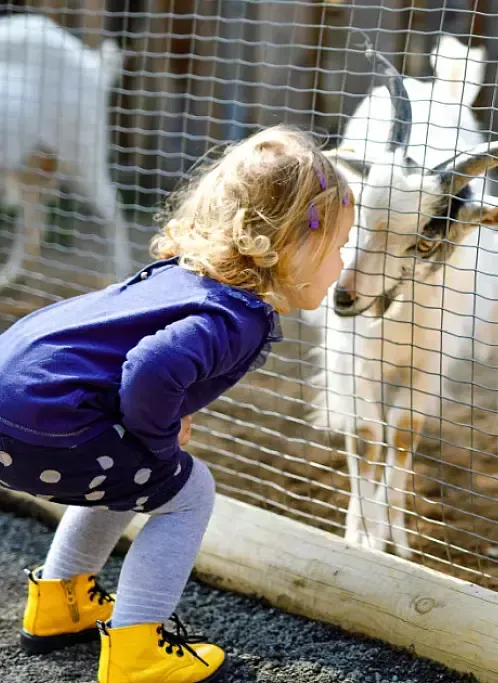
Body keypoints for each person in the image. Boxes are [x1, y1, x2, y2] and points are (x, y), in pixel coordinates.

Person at [0, 125, 354, 683]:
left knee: (127, 472)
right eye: (337, 248)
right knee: (185, 490)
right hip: (56, 425)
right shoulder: (235, 316)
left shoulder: (180, 278)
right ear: (294, 245)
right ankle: (139, 648)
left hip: (18, 410)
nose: (341, 266)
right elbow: (153, 368)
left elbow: (130, 364)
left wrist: (154, 425)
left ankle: (59, 603)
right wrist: (160, 439)